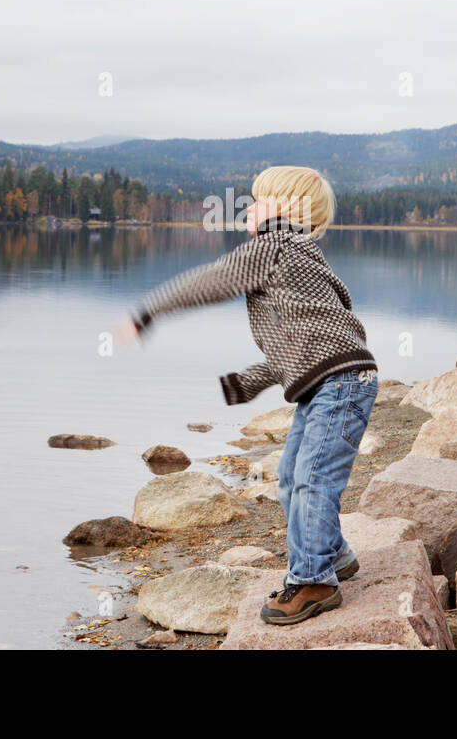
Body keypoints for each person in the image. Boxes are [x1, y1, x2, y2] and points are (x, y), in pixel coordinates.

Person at [115, 165, 378, 625]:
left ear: (287, 211)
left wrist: (147, 312)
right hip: (335, 381)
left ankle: (314, 580)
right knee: (291, 478)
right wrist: (246, 383)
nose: (248, 208)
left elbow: (210, 282)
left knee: (313, 481)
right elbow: (304, 344)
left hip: (340, 385)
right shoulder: (303, 255)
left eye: (258, 200)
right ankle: (334, 555)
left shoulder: (272, 246)